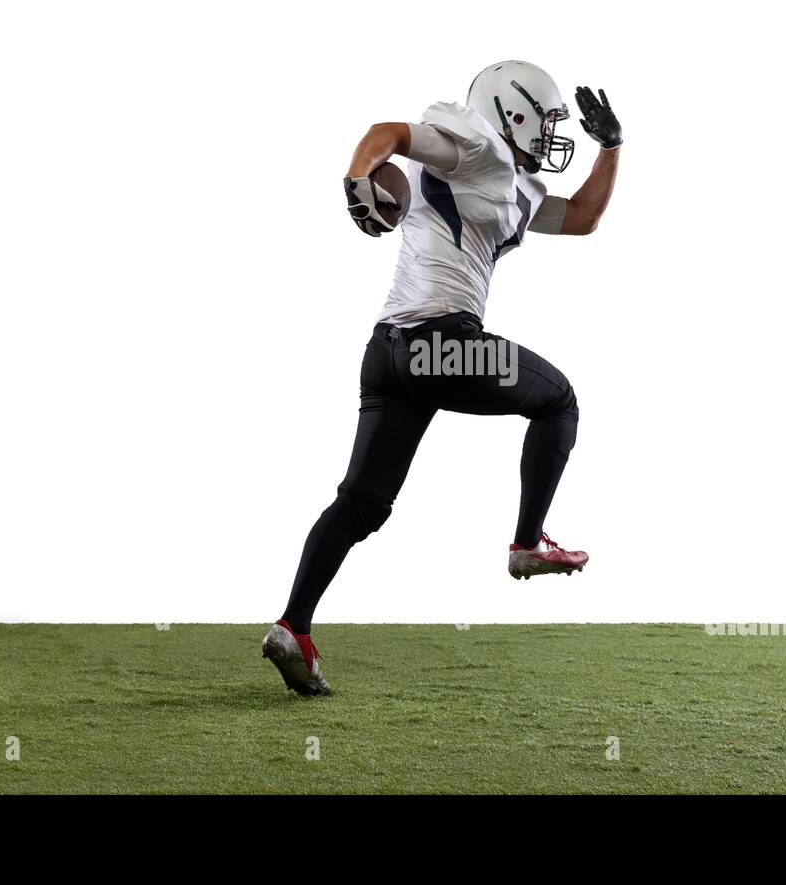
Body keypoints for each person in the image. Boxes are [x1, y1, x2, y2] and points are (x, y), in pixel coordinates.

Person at [262, 61, 622, 695]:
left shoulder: (516, 185)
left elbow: (584, 216)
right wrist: (357, 177)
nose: (551, 135)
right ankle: (526, 542)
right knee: (558, 400)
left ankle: (294, 627)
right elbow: (389, 133)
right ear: (512, 112)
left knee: (363, 503)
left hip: (390, 357)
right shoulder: (473, 145)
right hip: (441, 347)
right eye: (547, 120)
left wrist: (611, 150)